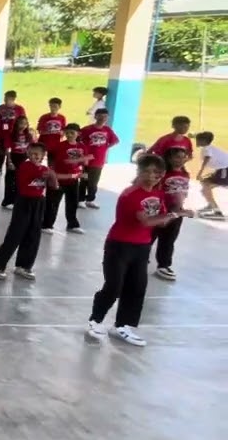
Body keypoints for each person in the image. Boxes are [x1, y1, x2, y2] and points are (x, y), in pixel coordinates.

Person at [88, 154, 191, 346]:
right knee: (114, 286)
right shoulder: (130, 194)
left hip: (142, 247)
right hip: (119, 245)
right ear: (139, 171)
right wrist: (177, 213)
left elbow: (161, 221)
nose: (152, 176)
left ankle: (123, 326)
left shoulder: (159, 194)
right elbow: (146, 221)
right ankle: (96, 320)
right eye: (147, 171)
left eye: (157, 172)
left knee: (137, 287)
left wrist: (175, 209)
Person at [0, 143, 55, 281]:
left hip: (38, 202)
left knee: (33, 234)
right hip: (24, 202)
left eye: (37, 154)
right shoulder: (25, 166)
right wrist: (50, 173)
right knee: (15, 233)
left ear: (43, 155)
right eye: (31, 153)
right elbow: (35, 177)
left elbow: (53, 185)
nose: (33, 156)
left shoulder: (45, 169)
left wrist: (53, 175)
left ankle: (23, 266)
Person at [42, 123, 88, 234]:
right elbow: (51, 161)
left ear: (78, 134)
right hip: (58, 179)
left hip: (73, 180)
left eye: (72, 133)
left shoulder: (82, 147)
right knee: (52, 203)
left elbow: (84, 162)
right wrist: (52, 176)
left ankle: (72, 224)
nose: (69, 135)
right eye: (67, 133)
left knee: (72, 203)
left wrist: (83, 173)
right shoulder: (59, 146)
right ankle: (46, 224)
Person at [153, 147, 191, 282]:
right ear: (169, 159)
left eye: (183, 157)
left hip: (177, 212)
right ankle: (139, 258)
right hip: (161, 210)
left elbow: (184, 192)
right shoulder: (163, 174)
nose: (180, 160)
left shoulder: (186, 174)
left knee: (169, 240)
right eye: (177, 157)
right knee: (150, 236)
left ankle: (163, 264)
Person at [78, 108, 119, 209]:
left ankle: (90, 200)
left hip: (98, 162)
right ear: (95, 116)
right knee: (84, 180)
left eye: (105, 116)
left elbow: (115, 141)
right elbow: (78, 141)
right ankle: (80, 200)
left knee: (93, 182)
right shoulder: (87, 129)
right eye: (100, 116)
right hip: (86, 161)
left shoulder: (107, 130)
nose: (102, 118)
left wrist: (106, 147)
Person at [194, 131, 228, 220]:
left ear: (204, 141)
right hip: (222, 170)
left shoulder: (207, 149)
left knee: (206, 187)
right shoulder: (208, 146)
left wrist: (200, 173)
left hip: (224, 170)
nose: (196, 142)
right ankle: (211, 205)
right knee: (205, 185)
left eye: (198, 140)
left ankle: (216, 211)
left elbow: (207, 159)